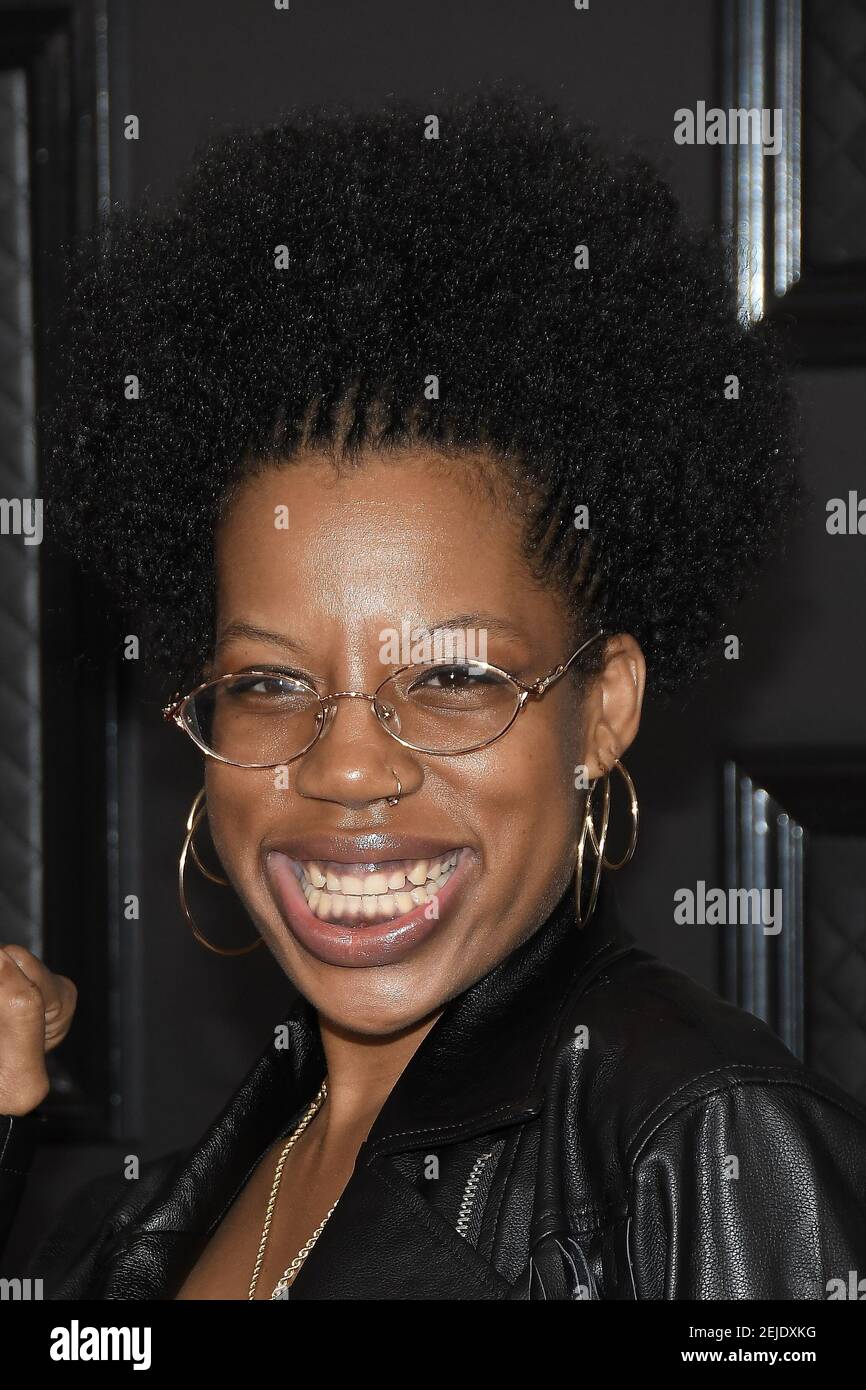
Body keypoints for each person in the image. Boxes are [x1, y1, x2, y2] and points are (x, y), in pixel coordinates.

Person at [1, 86, 864, 1301]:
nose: (345, 765)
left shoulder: (705, 1150)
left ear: (602, 707)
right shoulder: (173, 1200)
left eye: (453, 676)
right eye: (268, 681)